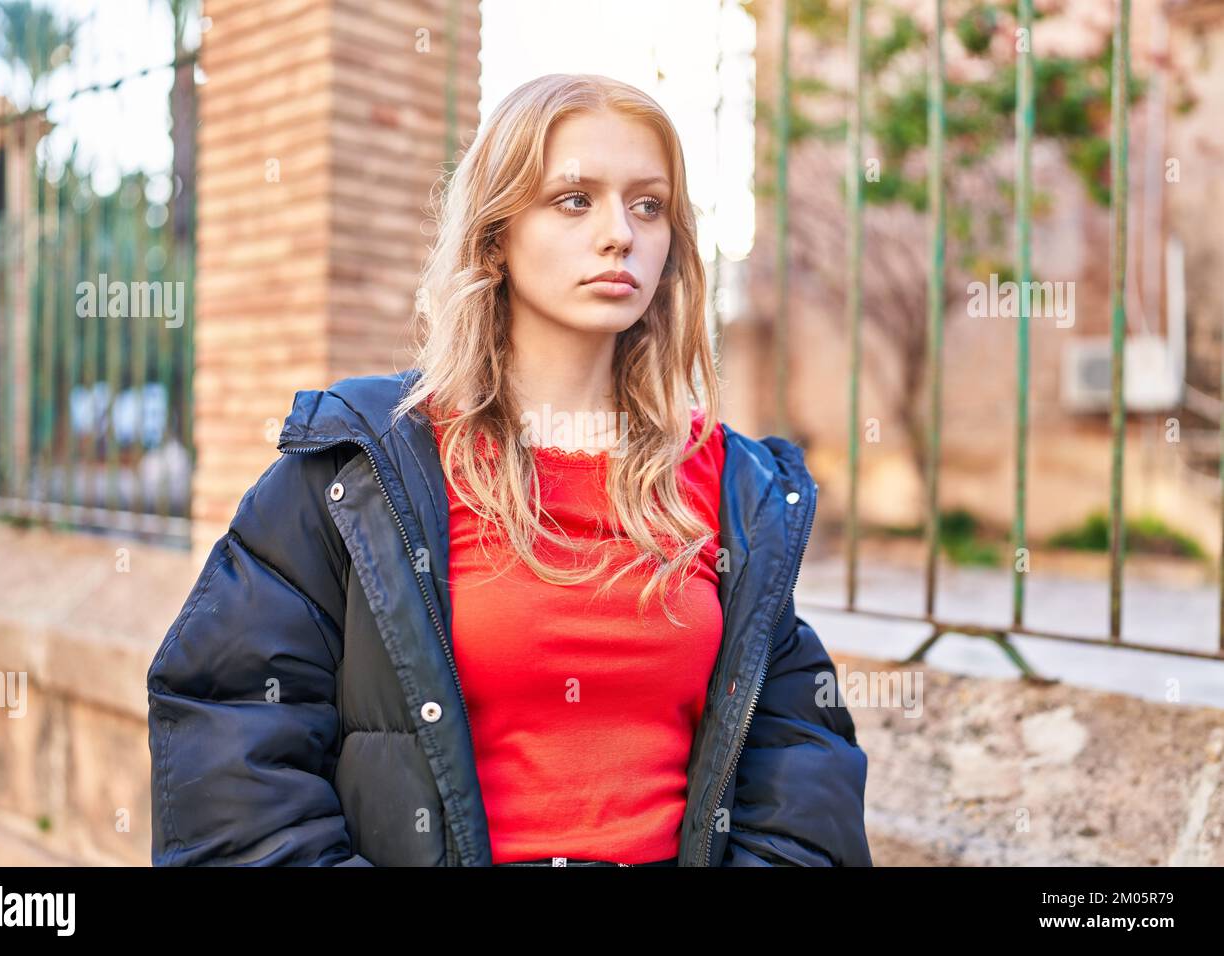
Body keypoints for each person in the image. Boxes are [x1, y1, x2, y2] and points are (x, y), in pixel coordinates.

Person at [147, 73, 871, 867]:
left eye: (648, 204)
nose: (619, 234)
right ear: (496, 235)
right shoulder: (364, 467)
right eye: (573, 199)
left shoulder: (734, 485)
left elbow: (801, 762)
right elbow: (232, 738)